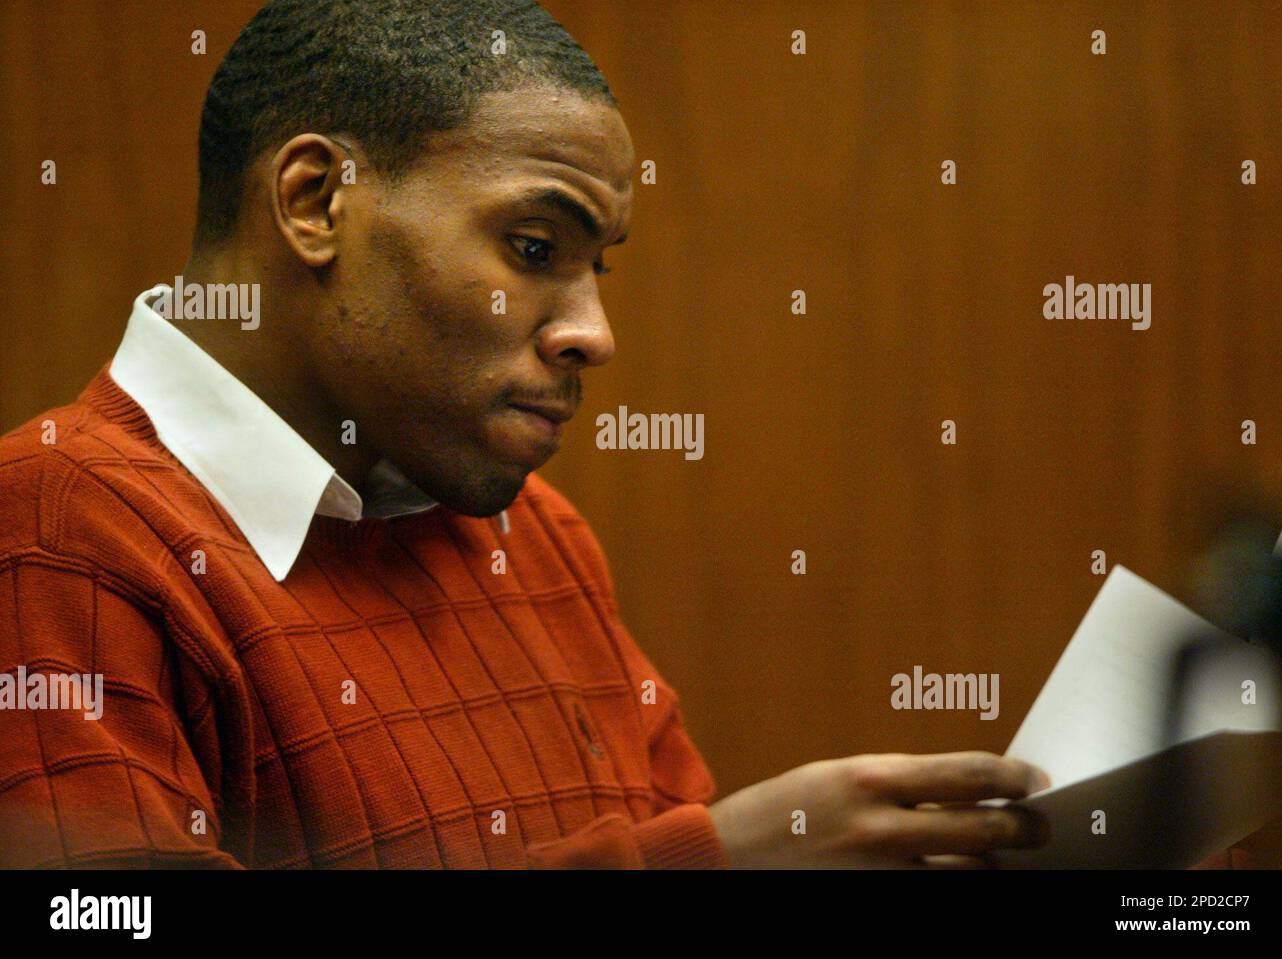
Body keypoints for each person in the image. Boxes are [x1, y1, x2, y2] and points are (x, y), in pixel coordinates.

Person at [0, 0, 1051, 869]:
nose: (593, 331)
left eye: (599, 265)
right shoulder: (53, 535)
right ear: (317, 201)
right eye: (534, 244)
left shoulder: (536, 533)